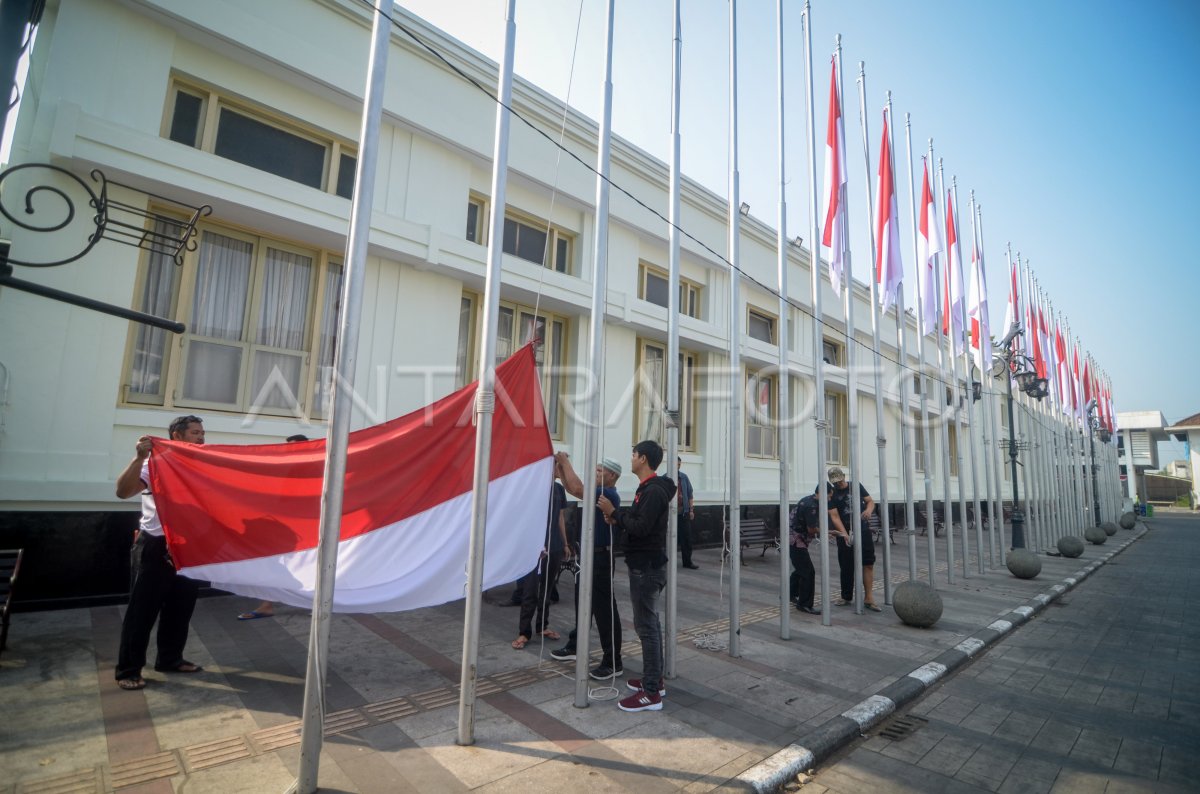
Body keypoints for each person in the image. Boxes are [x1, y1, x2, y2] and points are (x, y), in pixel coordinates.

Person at [113, 415, 206, 690]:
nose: (201, 437)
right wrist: (139, 458)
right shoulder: (155, 464)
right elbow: (123, 491)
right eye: (195, 432)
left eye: (202, 433)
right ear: (177, 436)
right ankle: (128, 670)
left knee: (181, 609)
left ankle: (170, 659)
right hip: (155, 545)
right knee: (142, 612)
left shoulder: (204, 466)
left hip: (189, 546)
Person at [598, 439, 675, 713]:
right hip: (644, 565)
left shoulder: (653, 490)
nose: (630, 458)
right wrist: (618, 517)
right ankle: (654, 680)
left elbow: (642, 527)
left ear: (643, 459)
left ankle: (651, 693)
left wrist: (614, 513)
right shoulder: (648, 489)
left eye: (633, 454)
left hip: (646, 567)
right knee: (650, 625)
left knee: (647, 628)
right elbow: (639, 519)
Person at [550, 453, 623, 680]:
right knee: (583, 604)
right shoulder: (599, 492)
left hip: (601, 559)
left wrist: (564, 461)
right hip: (589, 556)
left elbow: (578, 489)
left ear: (612, 476)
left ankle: (613, 661)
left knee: (604, 610)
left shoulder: (607, 493)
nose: (596, 474)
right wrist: (560, 469)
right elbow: (572, 488)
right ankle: (576, 645)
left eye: (600, 471)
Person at [238, 433, 310, 620]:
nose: (289, 451)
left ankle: (315, 601)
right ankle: (267, 604)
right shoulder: (282, 468)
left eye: (294, 448)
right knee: (274, 563)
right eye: (288, 448)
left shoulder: (313, 469)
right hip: (285, 527)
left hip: (307, 527)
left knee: (308, 563)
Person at [512, 469, 569, 649]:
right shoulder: (534, 487)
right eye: (558, 466)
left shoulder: (559, 489)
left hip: (555, 546)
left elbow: (560, 517)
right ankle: (524, 632)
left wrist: (565, 543)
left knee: (547, 588)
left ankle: (541, 626)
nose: (561, 470)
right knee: (530, 590)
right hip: (535, 546)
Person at [825, 467, 881, 611]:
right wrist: (844, 535)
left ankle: (869, 597)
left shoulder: (856, 486)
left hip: (863, 530)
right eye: (835, 482)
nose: (839, 484)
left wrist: (868, 510)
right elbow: (835, 516)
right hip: (844, 532)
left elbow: (870, 501)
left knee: (868, 563)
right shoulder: (832, 493)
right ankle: (846, 596)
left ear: (844, 476)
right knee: (846, 565)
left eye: (840, 480)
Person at [788, 490, 823, 615]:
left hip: (793, 538)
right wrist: (826, 532)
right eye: (829, 497)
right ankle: (804, 604)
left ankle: (789, 594)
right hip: (796, 540)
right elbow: (811, 529)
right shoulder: (811, 506)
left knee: (800, 569)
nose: (829, 500)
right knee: (808, 572)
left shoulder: (808, 499)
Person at [676, 457, 698, 569]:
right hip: (671, 514)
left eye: (679, 464)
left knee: (687, 539)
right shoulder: (666, 478)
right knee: (668, 538)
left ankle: (687, 561)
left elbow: (690, 494)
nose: (678, 466)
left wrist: (691, 510)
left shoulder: (684, 478)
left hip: (683, 513)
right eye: (676, 464)